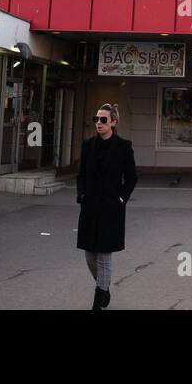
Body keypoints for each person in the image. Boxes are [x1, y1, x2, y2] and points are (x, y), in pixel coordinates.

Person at [77, 103, 138, 310]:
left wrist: (121, 199)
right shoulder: (87, 145)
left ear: (114, 122)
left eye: (103, 119)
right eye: (97, 119)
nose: (99, 123)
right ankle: (103, 285)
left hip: (111, 207)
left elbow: (131, 178)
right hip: (90, 206)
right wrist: (81, 195)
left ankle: (100, 294)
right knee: (89, 253)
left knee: (103, 253)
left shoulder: (123, 146)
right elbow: (81, 175)